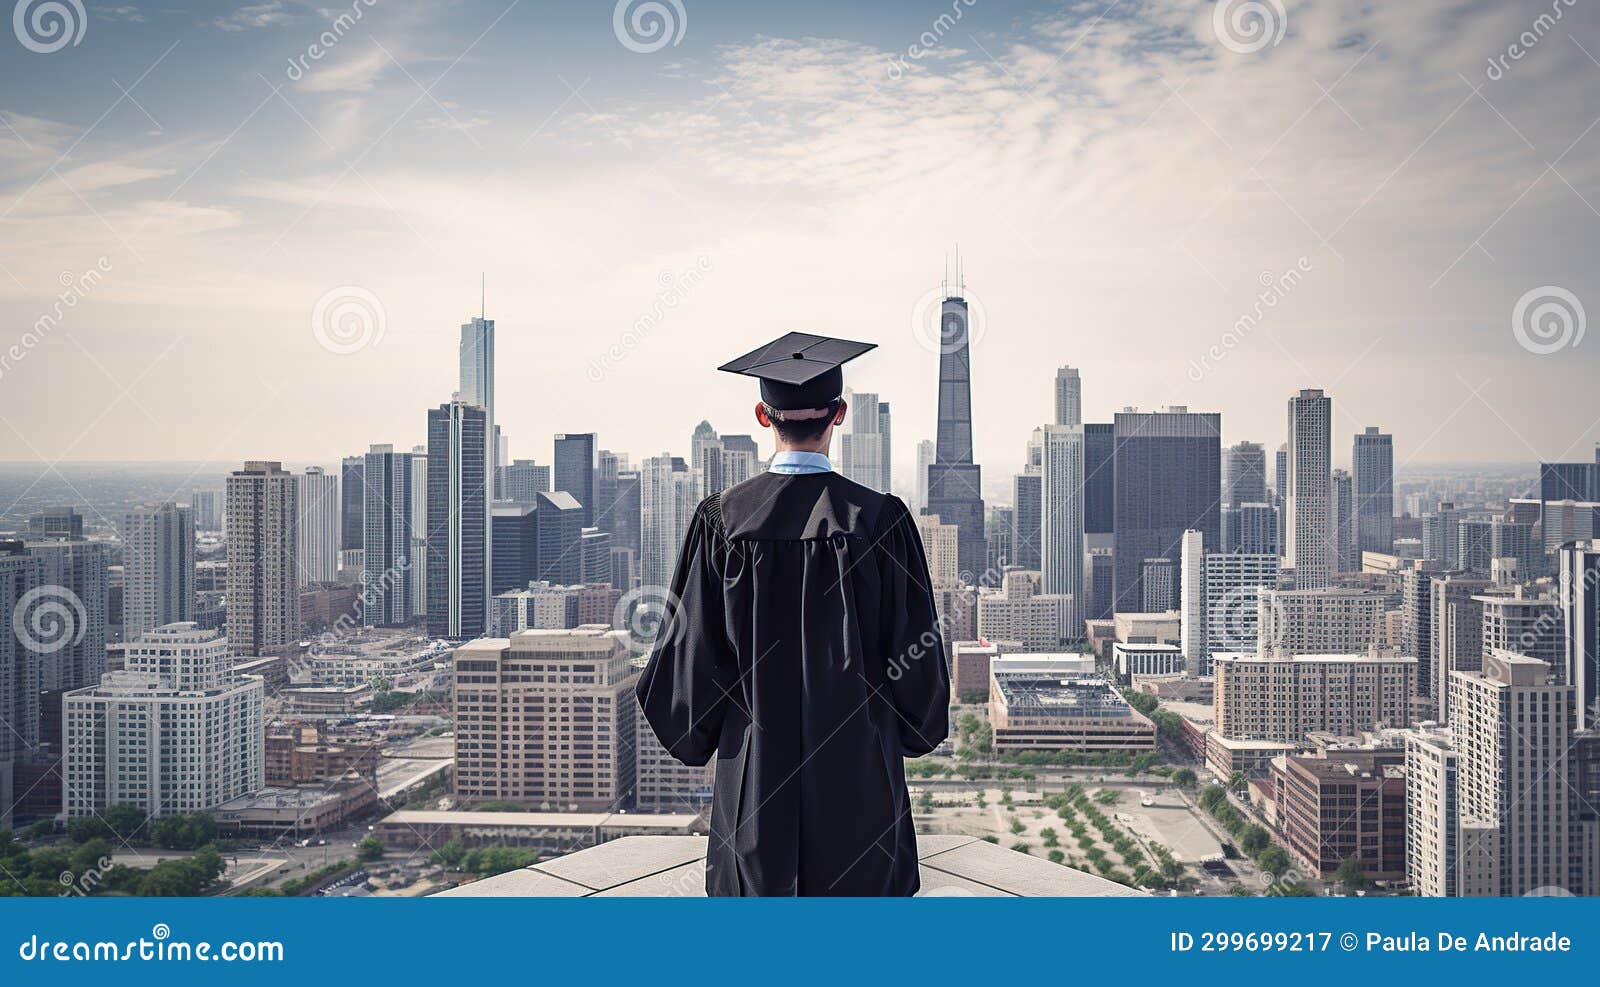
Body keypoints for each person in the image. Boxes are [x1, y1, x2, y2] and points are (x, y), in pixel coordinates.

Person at [636, 332, 950, 897]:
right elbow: (918, 660)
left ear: (763, 415)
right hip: (862, 788)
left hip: (756, 790)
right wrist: (892, 729)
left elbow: (685, 666)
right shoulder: (881, 521)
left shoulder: (722, 523)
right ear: (840, 415)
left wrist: (716, 734)